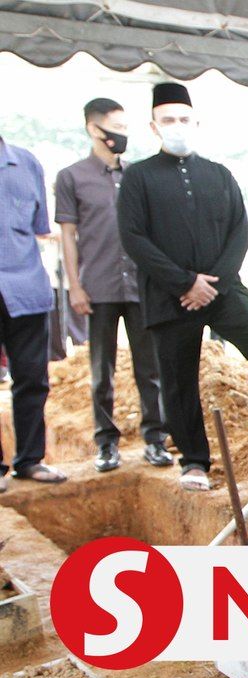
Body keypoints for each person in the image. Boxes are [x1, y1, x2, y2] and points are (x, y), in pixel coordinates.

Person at [118, 82, 248, 491]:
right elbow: (134, 238)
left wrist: (214, 283)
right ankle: (194, 461)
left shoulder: (219, 174)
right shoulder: (138, 177)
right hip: (170, 296)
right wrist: (185, 282)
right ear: (153, 127)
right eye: (168, 120)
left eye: (183, 119)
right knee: (178, 379)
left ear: (196, 123)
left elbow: (239, 232)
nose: (177, 125)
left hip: (222, 291)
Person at [55, 97, 172, 473]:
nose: (123, 135)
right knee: (101, 371)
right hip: (98, 287)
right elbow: (68, 235)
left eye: (125, 128)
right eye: (116, 128)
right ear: (94, 129)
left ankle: (156, 439)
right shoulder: (72, 177)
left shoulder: (138, 175)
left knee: (149, 368)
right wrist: (74, 286)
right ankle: (106, 443)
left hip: (140, 287)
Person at [0, 134, 68, 488]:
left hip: (26, 290)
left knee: (32, 378)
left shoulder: (27, 163)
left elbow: (41, 228)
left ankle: (30, 460)